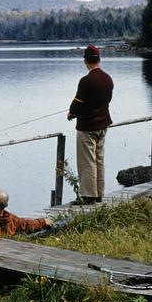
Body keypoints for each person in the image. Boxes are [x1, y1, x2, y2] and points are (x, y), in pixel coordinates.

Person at [67, 44, 113, 204]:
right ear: (99, 59)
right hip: (103, 125)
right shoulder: (108, 78)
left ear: (86, 61)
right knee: (99, 160)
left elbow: (77, 103)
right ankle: (99, 194)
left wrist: (71, 114)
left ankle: (88, 196)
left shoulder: (86, 81)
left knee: (87, 161)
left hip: (87, 127)